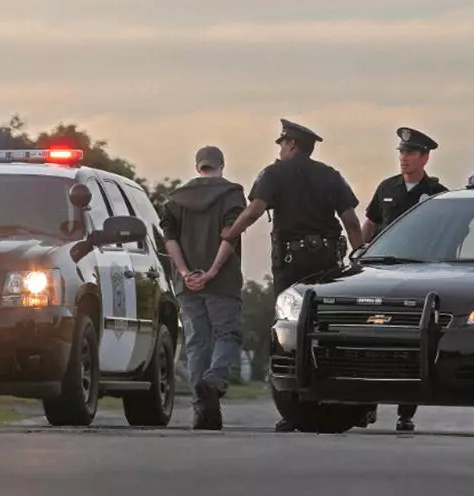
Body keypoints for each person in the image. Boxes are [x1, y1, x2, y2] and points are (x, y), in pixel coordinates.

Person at [219, 119, 366, 432]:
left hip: (291, 264)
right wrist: (362, 261)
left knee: (291, 332)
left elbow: (255, 210)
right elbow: (352, 222)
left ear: (292, 144)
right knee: (329, 328)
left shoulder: (273, 174)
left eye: (282, 144)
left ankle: (295, 407)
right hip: (328, 263)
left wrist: (230, 233)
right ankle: (349, 399)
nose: (281, 149)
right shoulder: (331, 176)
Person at [361, 126, 447, 432]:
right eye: (401, 152)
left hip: (421, 274)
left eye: (410, 153)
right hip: (382, 274)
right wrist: (361, 253)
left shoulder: (437, 195)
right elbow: (370, 222)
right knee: (371, 337)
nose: (404, 158)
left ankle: (405, 412)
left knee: (410, 340)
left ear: (425, 157)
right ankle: (366, 404)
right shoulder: (387, 188)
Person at [159, 145, 247, 429]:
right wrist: (211, 272)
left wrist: (185, 273)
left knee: (197, 343)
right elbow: (229, 237)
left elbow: (169, 239)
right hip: (222, 282)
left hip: (187, 283)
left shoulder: (176, 199)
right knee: (227, 334)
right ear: (222, 164)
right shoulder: (232, 194)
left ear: (198, 167)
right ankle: (214, 380)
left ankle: (203, 412)